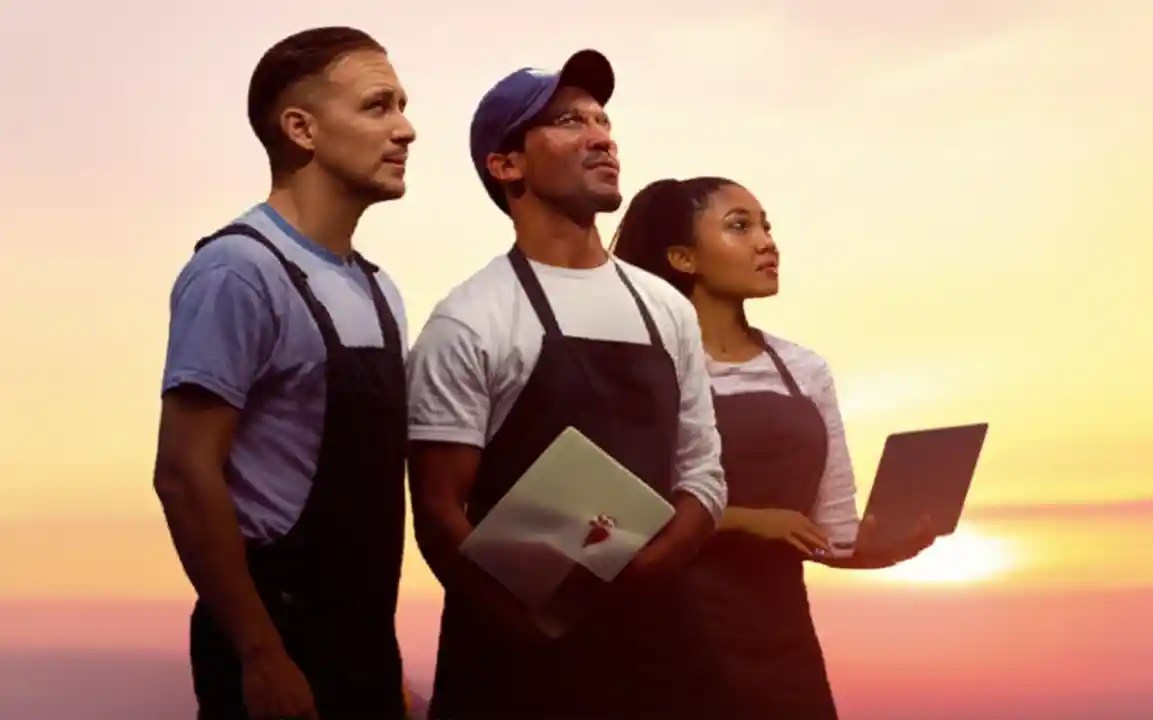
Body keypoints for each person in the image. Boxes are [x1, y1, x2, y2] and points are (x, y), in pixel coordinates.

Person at [405, 50, 727, 719]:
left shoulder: (665, 309)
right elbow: (439, 511)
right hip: (512, 670)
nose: (602, 136)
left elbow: (704, 474)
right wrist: (530, 624)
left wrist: (652, 568)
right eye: (568, 120)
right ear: (507, 165)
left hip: (656, 656)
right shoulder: (471, 319)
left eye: (603, 120)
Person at [152, 26, 416, 719]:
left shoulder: (381, 292)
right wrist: (261, 655)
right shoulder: (239, 272)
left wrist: (375, 661)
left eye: (402, 105)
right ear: (301, 128)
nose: (406, 129)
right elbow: (183, 473)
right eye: (377, 106)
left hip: (360, 644)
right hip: (274, 642)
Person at [611, 176, 938, 719]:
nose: (767, 242)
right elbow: (610, 513)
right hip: (665, 646)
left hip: (783, 650)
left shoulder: (805, 370)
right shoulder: (638, 367)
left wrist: (885, 544)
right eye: (740, 227)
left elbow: (829, 532)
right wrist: (742, 518)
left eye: (766, 226)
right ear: (682, 257)